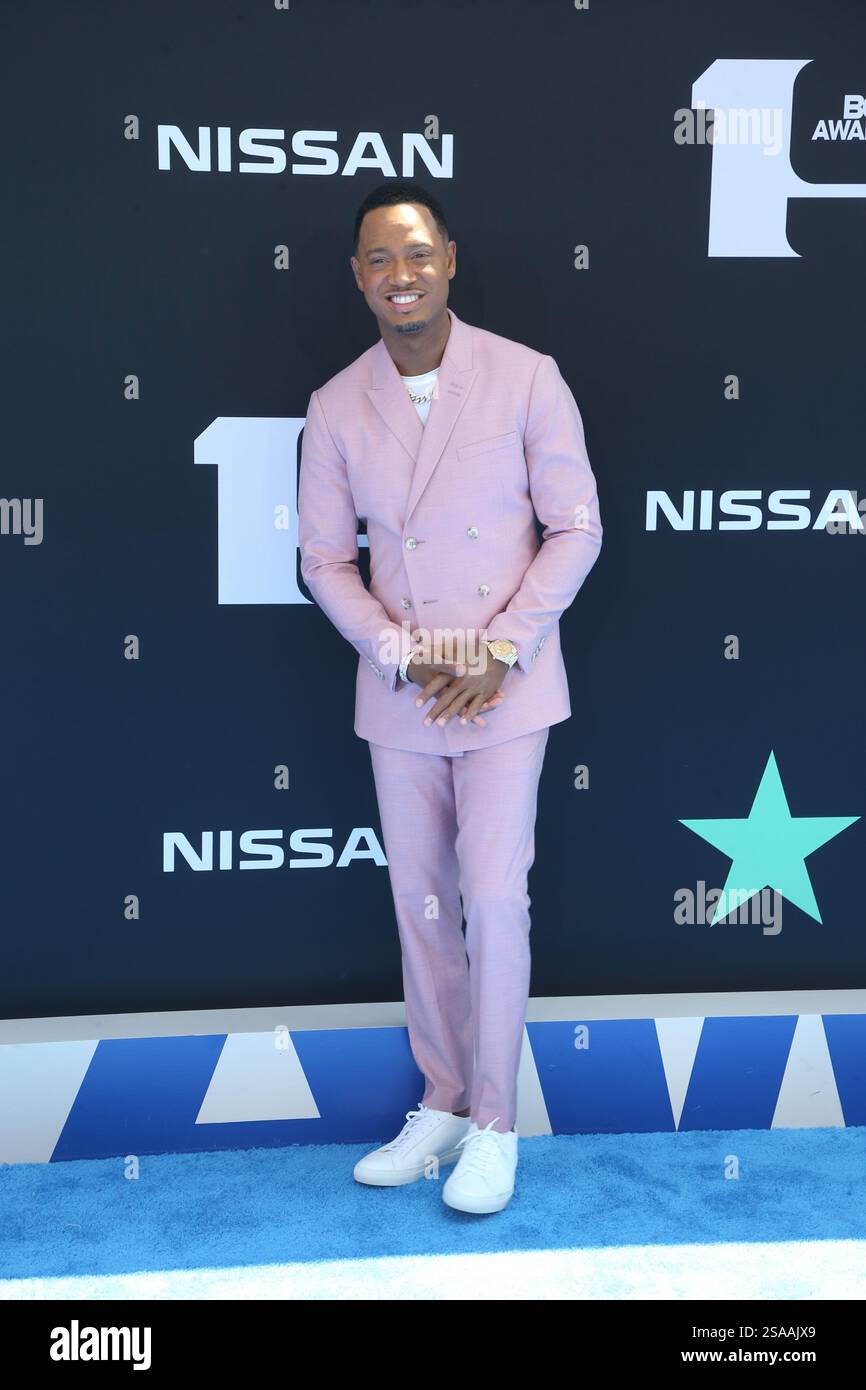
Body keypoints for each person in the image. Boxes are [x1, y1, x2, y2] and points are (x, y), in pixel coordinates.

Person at [297, 180, 602, 1214]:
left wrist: (502, 650)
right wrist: (395, 651)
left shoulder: (524, 378)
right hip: (403, 691)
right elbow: (324, 559)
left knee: (491, 898)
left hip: (505, 689)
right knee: (420, 905)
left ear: (450, 260)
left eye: (416, 254)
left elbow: (575, 527)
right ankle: (440, 1101)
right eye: (379, 259)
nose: (399, 275)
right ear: (356, 276)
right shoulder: (336, 405)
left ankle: (495, 1123)